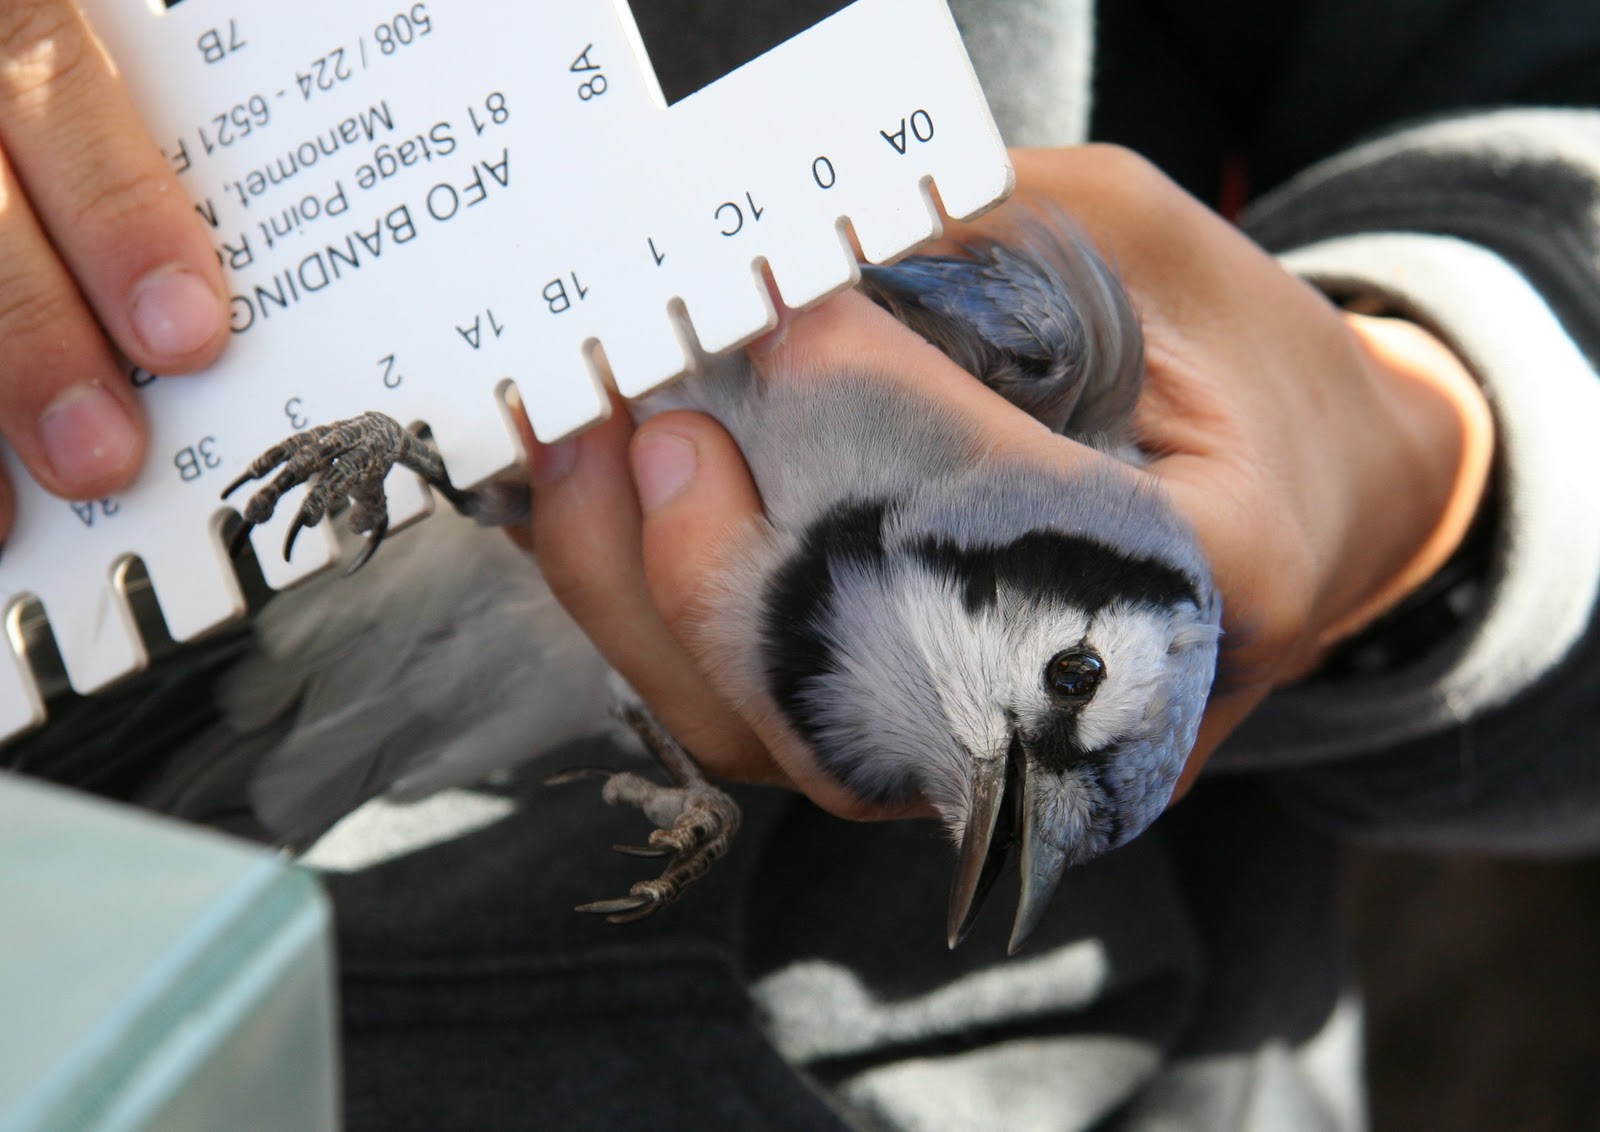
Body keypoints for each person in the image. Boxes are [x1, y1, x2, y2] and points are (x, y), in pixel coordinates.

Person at [6, 2, 1600, 1128]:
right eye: (1064, 681)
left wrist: (1435, 465)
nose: (990, 783)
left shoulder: (884, 705)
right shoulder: (1027, 364)